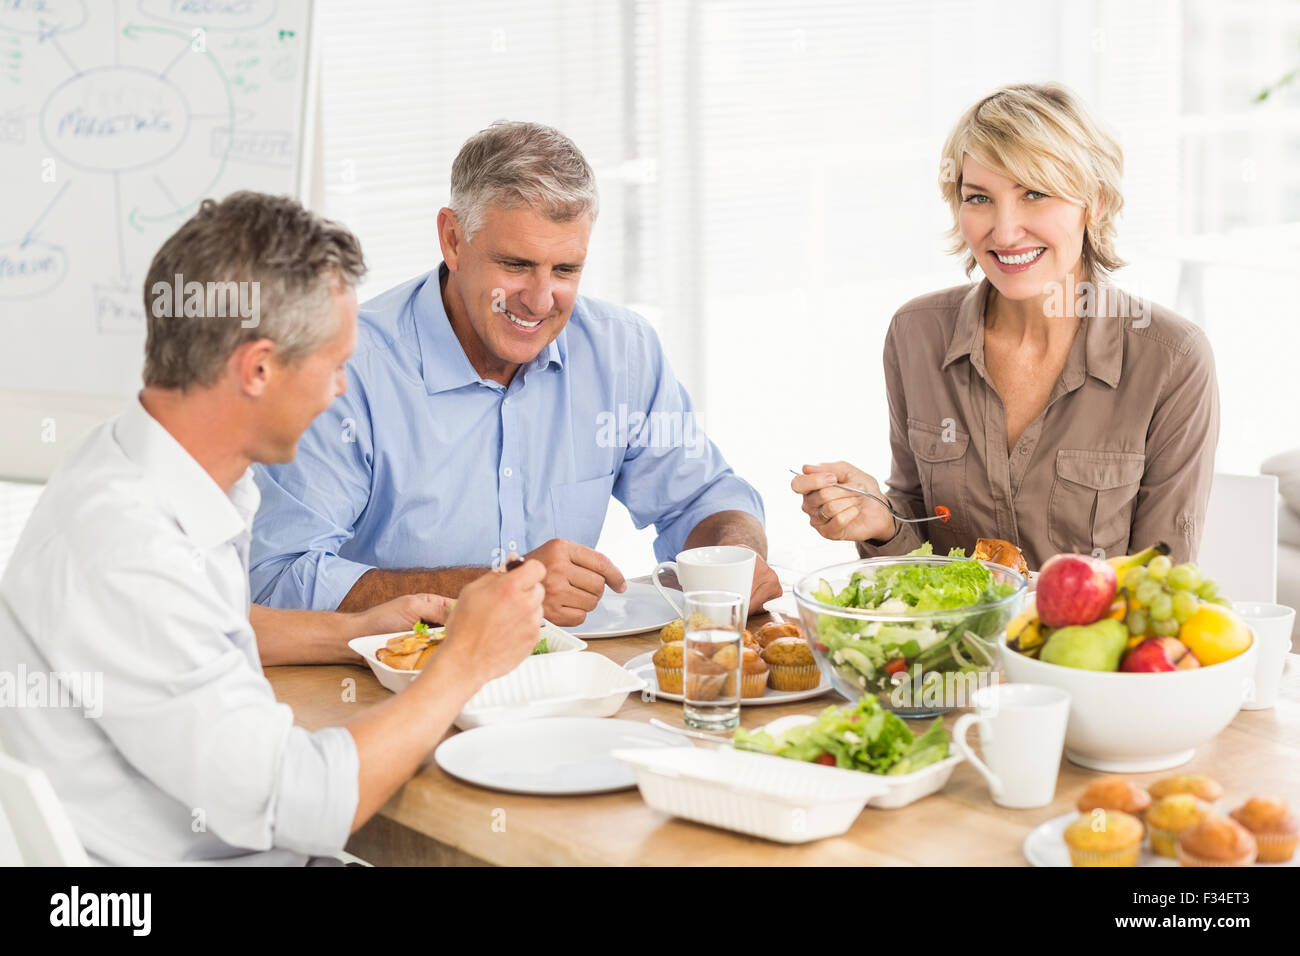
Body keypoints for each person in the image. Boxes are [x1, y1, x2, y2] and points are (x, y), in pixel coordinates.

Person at [0, 192, 546, 865]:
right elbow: (304, 802)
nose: (343, 389)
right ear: (257, 368)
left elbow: (200, 626)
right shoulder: (128, 546)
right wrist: (465, 662)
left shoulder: (134, 462)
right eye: (336, 364)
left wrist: (351, 635)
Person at [247, 121, 782, 625]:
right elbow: (279, 579)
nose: (540, 300)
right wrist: (504, 587)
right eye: (517, 265)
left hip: (568, 684)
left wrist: (735, 555)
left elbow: (703, 497)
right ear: (453, 240)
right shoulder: (347, 367)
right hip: (389, 688)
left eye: (566, 270)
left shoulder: (621, 351)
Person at [793, 83, 1219, 568]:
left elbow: (1161, 583)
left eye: (1034, 193)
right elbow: (919, 539)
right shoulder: (917, 334)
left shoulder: (1171, 358)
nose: (1005, 230)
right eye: (979, 198)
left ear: (1095, 202)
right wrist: (885, 522)